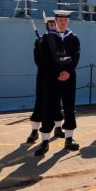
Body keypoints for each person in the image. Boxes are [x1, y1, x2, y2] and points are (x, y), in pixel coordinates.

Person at [34, 10, 81, 156]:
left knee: (69, 107)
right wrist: (56, 74)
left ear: (68, 21)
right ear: (55, 20)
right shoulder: (47, 37)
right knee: (48, 107)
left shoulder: (73, 38)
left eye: (65, 20)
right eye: (60, 19)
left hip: (69, 78)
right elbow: (43, 60)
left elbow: (75, 57)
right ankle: (45, 141)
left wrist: (67, 72)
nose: (63, 22)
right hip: (51, 78)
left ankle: (69, 139)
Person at [27, 15, 64, 143]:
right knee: (40, 102)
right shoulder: (40, 40)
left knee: (57, 102)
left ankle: (58, 128)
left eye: (55, 24)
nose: (53, 26)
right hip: (44, 76)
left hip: (58, 76)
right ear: (47, 25)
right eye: (50, 24)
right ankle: (34, 131)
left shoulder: (61, 39)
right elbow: (38, 60)